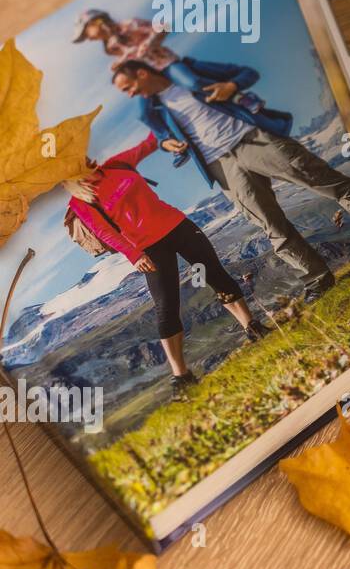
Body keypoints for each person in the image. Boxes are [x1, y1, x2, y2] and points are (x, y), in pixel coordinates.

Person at [111, 59, 350, 303]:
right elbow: (161, 138)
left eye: (129, 86)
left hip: (253, 139)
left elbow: (247, 72)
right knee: (268, 223)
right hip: (222, 165)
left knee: (325, 181)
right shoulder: (153, 110)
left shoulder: (189, 71)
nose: (130, 94)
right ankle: (317, 278)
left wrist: (231, 86)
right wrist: (168, 144)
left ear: (142, 72)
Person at [63, 134, 269, 402]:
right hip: (148, 248)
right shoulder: (80, 202)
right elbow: (106, 234)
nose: (86, 155)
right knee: (166, 306)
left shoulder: (116, 164)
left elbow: (148, 143)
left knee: (215, 274)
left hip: (177, 225)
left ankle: (251, 327)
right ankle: (181, 374)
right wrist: (134, 256)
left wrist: (161, 123)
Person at [73, 9, 265, 114]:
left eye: (87, 33)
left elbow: (161, 28)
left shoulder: (129, 25)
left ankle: (243, 98)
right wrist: (121, 65)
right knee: (145, 112)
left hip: (164, 64)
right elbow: (131, 60)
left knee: (193, 83)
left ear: (97, 22)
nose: (89, 39)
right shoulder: (110, 47)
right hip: (149, 75)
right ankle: (171, 141)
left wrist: (146, 46)